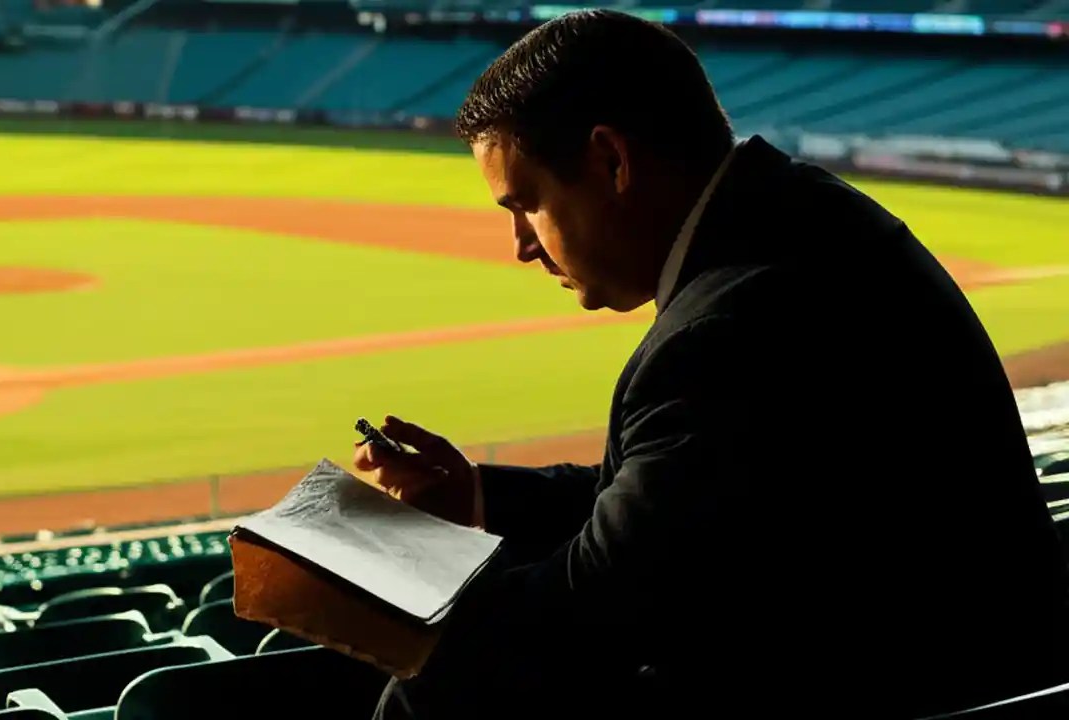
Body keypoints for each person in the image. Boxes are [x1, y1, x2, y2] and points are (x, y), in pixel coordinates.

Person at [353, 9, 1069, 720]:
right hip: (965, 664)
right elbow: (671, 500)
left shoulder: (725, 328)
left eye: (527, 204)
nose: (521, 245)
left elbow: (600, 603)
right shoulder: (794, 215)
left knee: (428, 695)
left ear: (611, 161)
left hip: (899, 695)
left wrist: (396, 597)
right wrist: (478, 496)